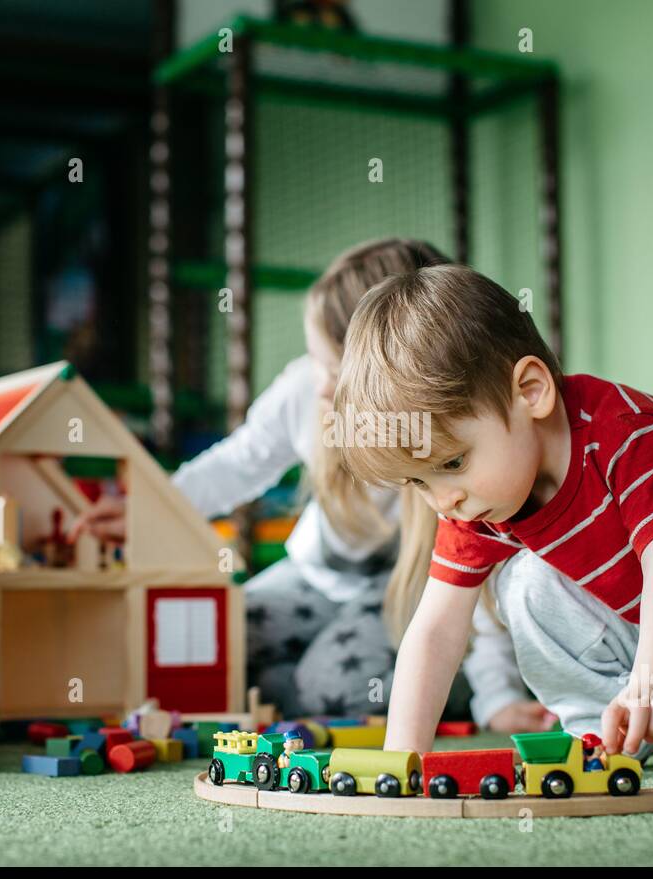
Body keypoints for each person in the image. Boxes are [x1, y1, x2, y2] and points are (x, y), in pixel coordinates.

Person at [332, 264, 653, 782]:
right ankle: (607, 732)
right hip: (641, 621)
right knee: (528, 584)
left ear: (531, 391)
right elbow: (436, 630)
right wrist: (401, 756)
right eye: (419, 484)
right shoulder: (472, 500)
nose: (443, 501)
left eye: (452, 463)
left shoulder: (632, 435)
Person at [72, 239, 548, 731]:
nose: (320, 384)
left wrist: (497, 698)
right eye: (315, 361)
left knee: (336, 685)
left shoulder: (450, 454)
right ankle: (301, 688)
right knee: (214, 645)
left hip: (397, 599)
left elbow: (478, 581)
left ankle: (438, 688)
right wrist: (148, 510)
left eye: (335, 372)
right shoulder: (306, 391)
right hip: (311, 583)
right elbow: (238, 462)